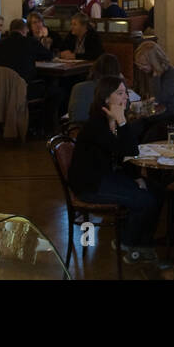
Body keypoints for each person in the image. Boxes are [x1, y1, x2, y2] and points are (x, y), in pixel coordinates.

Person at [68, 76, 165, 265]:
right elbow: (130, 150)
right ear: (106, 98)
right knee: (145, 200)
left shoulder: (110, 120)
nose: (126, 97)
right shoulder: (96, 124)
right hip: (90, 184)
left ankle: (142, 244)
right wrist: (122, 121)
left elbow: (124, 156)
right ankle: (128, 242)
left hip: (107, 177)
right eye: (120, 93)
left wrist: (136, 177)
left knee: (158, 191)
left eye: (126, 92)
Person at [133, 41, 174, 114]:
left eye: (143, 64)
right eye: (138, 64)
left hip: (171, 113)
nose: (140, 68)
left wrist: (156, 75)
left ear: (154, 62)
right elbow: (140, 92)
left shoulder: (171, 72)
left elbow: (160, 99)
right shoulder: (145, 71)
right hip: (151, 112)